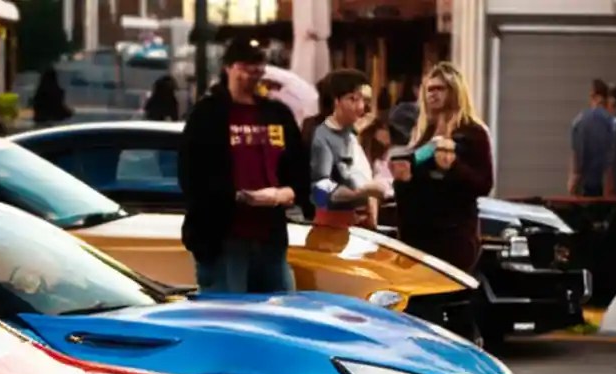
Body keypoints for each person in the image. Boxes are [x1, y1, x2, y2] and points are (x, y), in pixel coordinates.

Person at [178, 39, 307, 294]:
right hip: (223, 238)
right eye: (246, 66)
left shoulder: (277, 113)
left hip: (271, 235)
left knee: (281, 309)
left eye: (258, 66)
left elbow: (300, 168)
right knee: (229, 316)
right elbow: (192, 175)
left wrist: (286, 194)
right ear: (229, 68)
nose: (253, 73)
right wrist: (237, 197)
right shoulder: (208, 113)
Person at [390, 62, 493, 276]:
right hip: (417, 238)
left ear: (454, 92)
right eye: (430, 89)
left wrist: (453, 166)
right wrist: (402, 180)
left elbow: (484, 184)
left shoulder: (472, 133)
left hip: (453, 237)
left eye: (440, 89)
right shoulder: (422, 135)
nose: (433, 94)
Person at [310, 69, 389, 229]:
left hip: (359, 229)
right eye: (353, 99)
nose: (361, 107)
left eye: (364, 100)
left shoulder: (351, 136)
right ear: (335, 101)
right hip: (333, 230)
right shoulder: (322, 136)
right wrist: (362, 191)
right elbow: (319, 194)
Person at [569, 78, 615, 197]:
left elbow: (576, 152)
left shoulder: (580, 120)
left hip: (584, 183)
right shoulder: (612, 122)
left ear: (593, 96)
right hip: (605, 183)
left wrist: (573, 179)